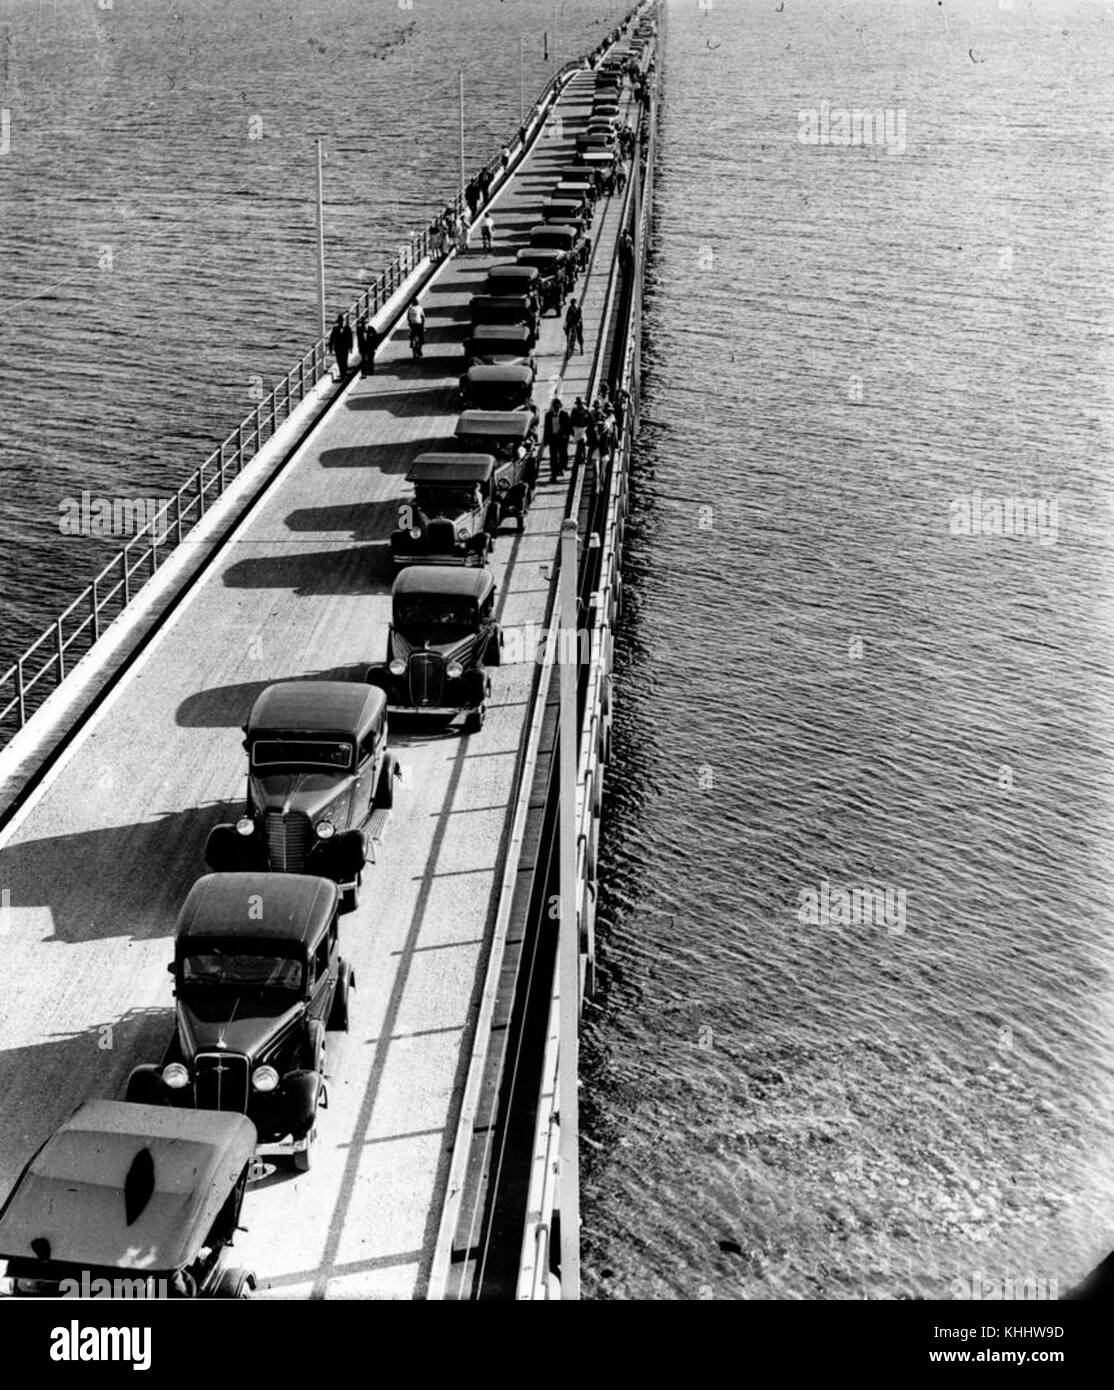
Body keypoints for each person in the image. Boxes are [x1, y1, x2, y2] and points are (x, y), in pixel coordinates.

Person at [543, 398, 570, 483]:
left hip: (561, 438)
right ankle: (553, 474)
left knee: (563, 455)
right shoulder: (548, 415)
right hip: (553, 438)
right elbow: (546, 428)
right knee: (553, 457)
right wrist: (545, 439)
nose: (556, 409)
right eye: (555, 407)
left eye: (558, 407)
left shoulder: (564, 415)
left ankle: (562, 468)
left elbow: (568, 426)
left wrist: (566, 436)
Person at [328, 313, 352, 378]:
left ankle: (344, 373)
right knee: (339, 361)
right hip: (338, 348)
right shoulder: (335, 329)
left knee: (344, 360)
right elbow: (332, 338)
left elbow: (350, 338)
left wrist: (350, 347)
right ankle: (342, 373)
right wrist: (330, 347)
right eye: (340, 321)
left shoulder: (347, 328)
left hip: (345, 347)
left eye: (342, 321)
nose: (342, 323)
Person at [569, 396, 590, 468]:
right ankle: (579, 457)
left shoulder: (586, 410)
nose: (580, 405)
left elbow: (589, 419)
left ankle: (583, 457)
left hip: (583, 428)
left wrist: (587, 427)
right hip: (576, 428)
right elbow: (571, 421)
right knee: (579, 443)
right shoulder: (574, 411)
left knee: (582, 442)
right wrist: (571, 430)